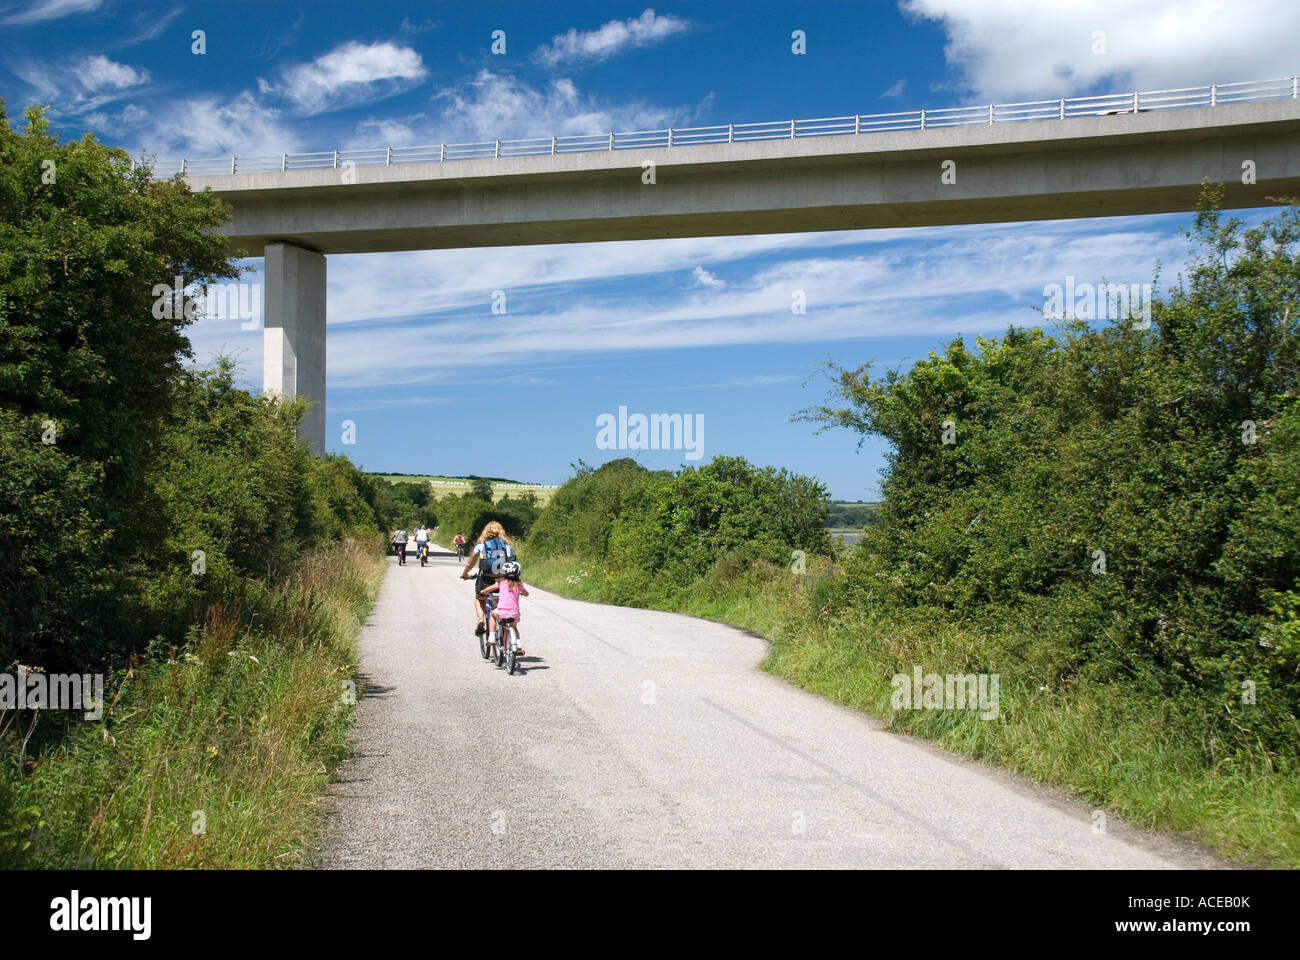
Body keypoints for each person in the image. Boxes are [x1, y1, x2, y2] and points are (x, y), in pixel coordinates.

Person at [459, 521, 515, 635]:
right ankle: (504, 626)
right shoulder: (507, 546)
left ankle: (480, 620)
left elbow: (470, 563)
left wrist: (465, 573)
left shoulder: (481, 546)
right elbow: (513, 563)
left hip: (486, 579)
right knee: (503, 601)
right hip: (503, 580)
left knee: (480, 599)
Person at [480, 562, 528, 656]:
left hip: (501, 611)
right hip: (515, 613)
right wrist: (522, 593)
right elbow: (526, 593)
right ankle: (518, 646)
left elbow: (489, 589)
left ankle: (492, 638)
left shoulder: (501, 583)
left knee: (492, 615)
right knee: (514, 627)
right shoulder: (519, 585)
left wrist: (483, 591)